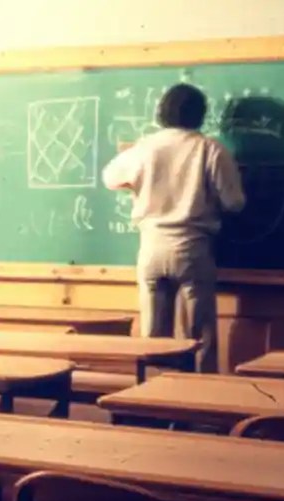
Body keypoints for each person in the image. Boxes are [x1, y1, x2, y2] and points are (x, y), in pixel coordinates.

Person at [102, 83, 245, 374]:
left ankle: (153, 399)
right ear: (200, 114)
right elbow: (234, 203)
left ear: (162, 112)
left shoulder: (145, 147)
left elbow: (110, 178)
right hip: (192, 248)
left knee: (154, 339)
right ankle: (201, 402)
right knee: (199, 337)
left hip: (151, 248)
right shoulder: (210, 149)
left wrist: (140, 184)